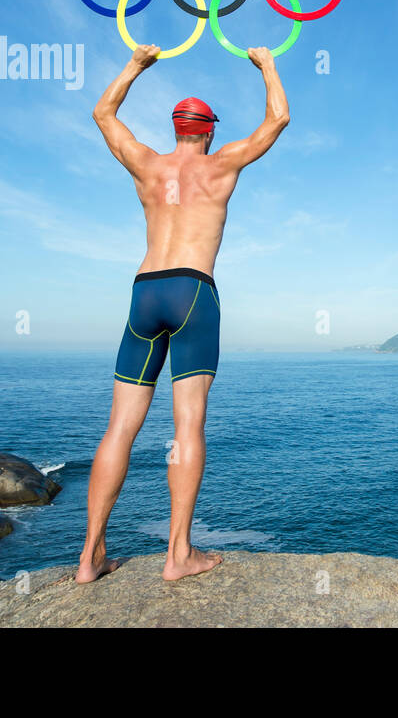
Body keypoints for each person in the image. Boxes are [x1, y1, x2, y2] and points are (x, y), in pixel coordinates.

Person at [76, 43, 290, 583]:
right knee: (187, 423)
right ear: (210, 130)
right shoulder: (220, 167)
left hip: (145, 291)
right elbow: (278, 118)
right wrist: (266, 64)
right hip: (194, 292)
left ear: (175, 128)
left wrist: (136, 65)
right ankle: (178, 555)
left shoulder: (147, 163)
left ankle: (89, 558)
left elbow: (103, 113)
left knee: (119, 428)